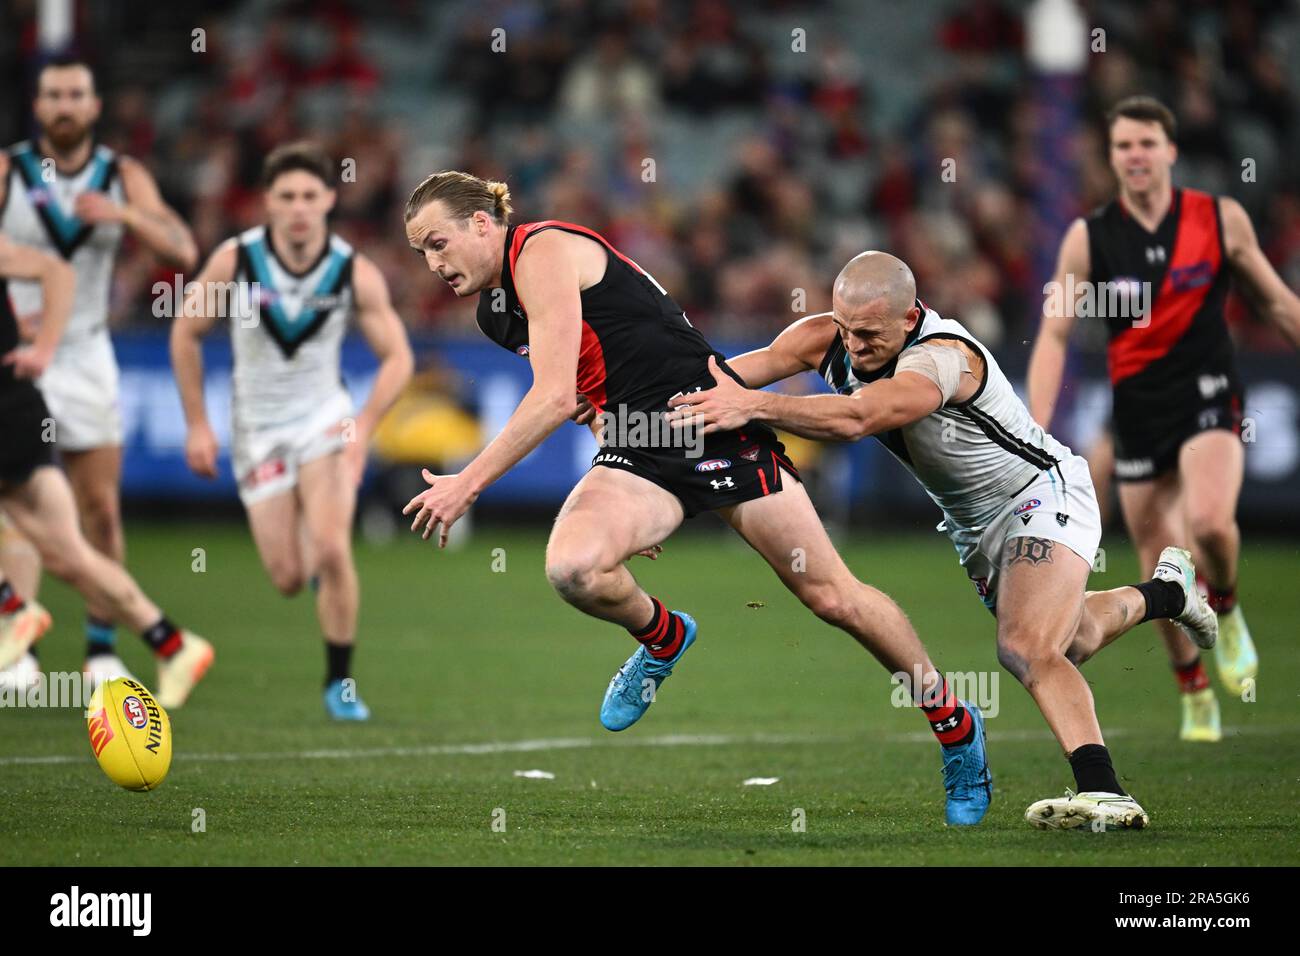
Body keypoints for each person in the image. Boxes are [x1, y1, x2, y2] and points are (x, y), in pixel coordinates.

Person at [402, 171, 992, 826]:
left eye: (437, 243)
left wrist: (468, 481)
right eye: (420, 253)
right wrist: (618, 460)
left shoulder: (539, 251)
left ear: (482, 224)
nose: (433, 264)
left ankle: (954, 723)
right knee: (574, 569)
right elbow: (581, 385)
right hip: (640, 443)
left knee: (831, 596)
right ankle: (662, 636)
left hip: (710, 415)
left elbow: (548, 397)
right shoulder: (494, 313)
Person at [667, 251, 1217, 831]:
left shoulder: (942, 358)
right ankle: (1167, 594)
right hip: (971, 524)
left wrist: (753, 406)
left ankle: (1105, 792)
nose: (853, 346)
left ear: (910, 318)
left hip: (1039, 492)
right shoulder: (823, 336)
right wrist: (626, 398)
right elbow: (718, 378)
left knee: (1027, 647)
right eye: (846, 328)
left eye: (870, 334)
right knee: (1069, 640)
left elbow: (859, 417)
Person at [1027, 96, 1300, 741]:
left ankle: (1227, 610)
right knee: (1163, 568)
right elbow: (1055, 334)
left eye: (1147, 143)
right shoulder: (1089, 237)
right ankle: (1194, 690)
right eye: (1123, 145)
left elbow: (1278, 304)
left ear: (1171, 150)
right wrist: (1035, 428)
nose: (1135, 156)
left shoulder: (1219, 218)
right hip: (1138, 410)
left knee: (1208, 523)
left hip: (1207, 394)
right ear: (1113, 157)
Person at [171, 142, 413, 721]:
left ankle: (339, 684)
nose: (299, 208)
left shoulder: (352, 269)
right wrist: (198, 425)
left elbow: (398, 356)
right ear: (267, 203)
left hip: (323, 419)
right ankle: (312, 572)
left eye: (310, 195)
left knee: (332, 547)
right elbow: (186, 332)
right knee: (286, 576)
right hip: (256, 429)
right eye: (287, 197)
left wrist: (363, 426)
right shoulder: (236, 261)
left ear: (330, 198)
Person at [0, 56, 198, 688]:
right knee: (21, 503)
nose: (64, 104)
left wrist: (129, 217)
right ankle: (21, 646)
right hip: (18, 355)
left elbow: (183, 249)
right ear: (38, 106)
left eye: (75, 94)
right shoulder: (7, 169)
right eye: (53, 93)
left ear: (93, 107)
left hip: (85, 353)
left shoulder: (122, 175)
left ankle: (101, 646)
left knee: (99, 510)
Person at [0, 233, 211, 708]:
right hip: (19, 406)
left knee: (71, 541)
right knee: (67, 553)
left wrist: (45, 346)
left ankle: (11, 609)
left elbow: (57, 272)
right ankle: (172, 645)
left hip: (8, 408)